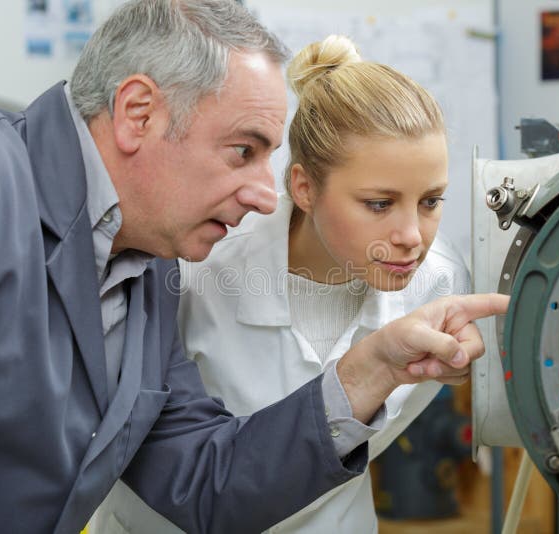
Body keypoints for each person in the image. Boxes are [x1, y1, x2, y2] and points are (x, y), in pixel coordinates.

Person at [0, 1, 508, 532]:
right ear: (138, 114)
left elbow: (204, 483)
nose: (266, 195)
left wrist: (372, 368)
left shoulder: (146, 276)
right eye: (243, 151)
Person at [92, 35, 473, 533]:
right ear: (304, 188)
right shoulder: (197, 265)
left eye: (430, 201)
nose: (410, 237)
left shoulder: (439, 283)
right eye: (379, 204)